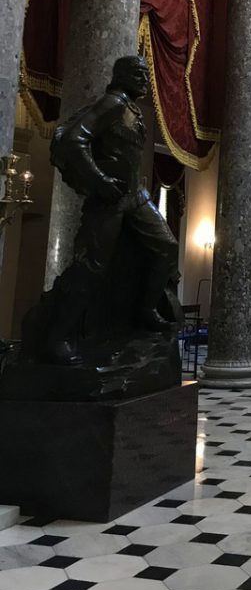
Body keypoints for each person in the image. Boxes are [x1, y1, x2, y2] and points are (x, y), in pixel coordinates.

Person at [46, 55, 179, 365]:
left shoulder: (132, 109)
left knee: (166, 247)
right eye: (138, 73)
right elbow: (74, 141)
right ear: (121, 76)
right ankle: (61, 334)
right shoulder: (112, 104)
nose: (145, 79)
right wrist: (99, 180)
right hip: (111, 196)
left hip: (136, 194)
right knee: (91, 265)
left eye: (147, 73)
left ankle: (145, 309)